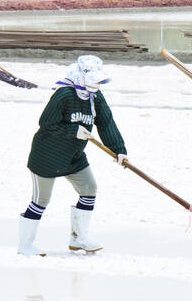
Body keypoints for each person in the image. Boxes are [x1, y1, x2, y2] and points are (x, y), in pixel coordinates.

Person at [19, 55, 128, 256]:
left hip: (74, 155)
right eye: (94, 80)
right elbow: (46, 123)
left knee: (89, 188)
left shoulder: (96, 97)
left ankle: (78, 239)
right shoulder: (64, 95)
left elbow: (106, 123)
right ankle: (25, 245)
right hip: (47, 155)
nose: (97, 84)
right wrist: (73, 131)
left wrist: (119, 149)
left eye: (99, 80)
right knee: (40, 200)